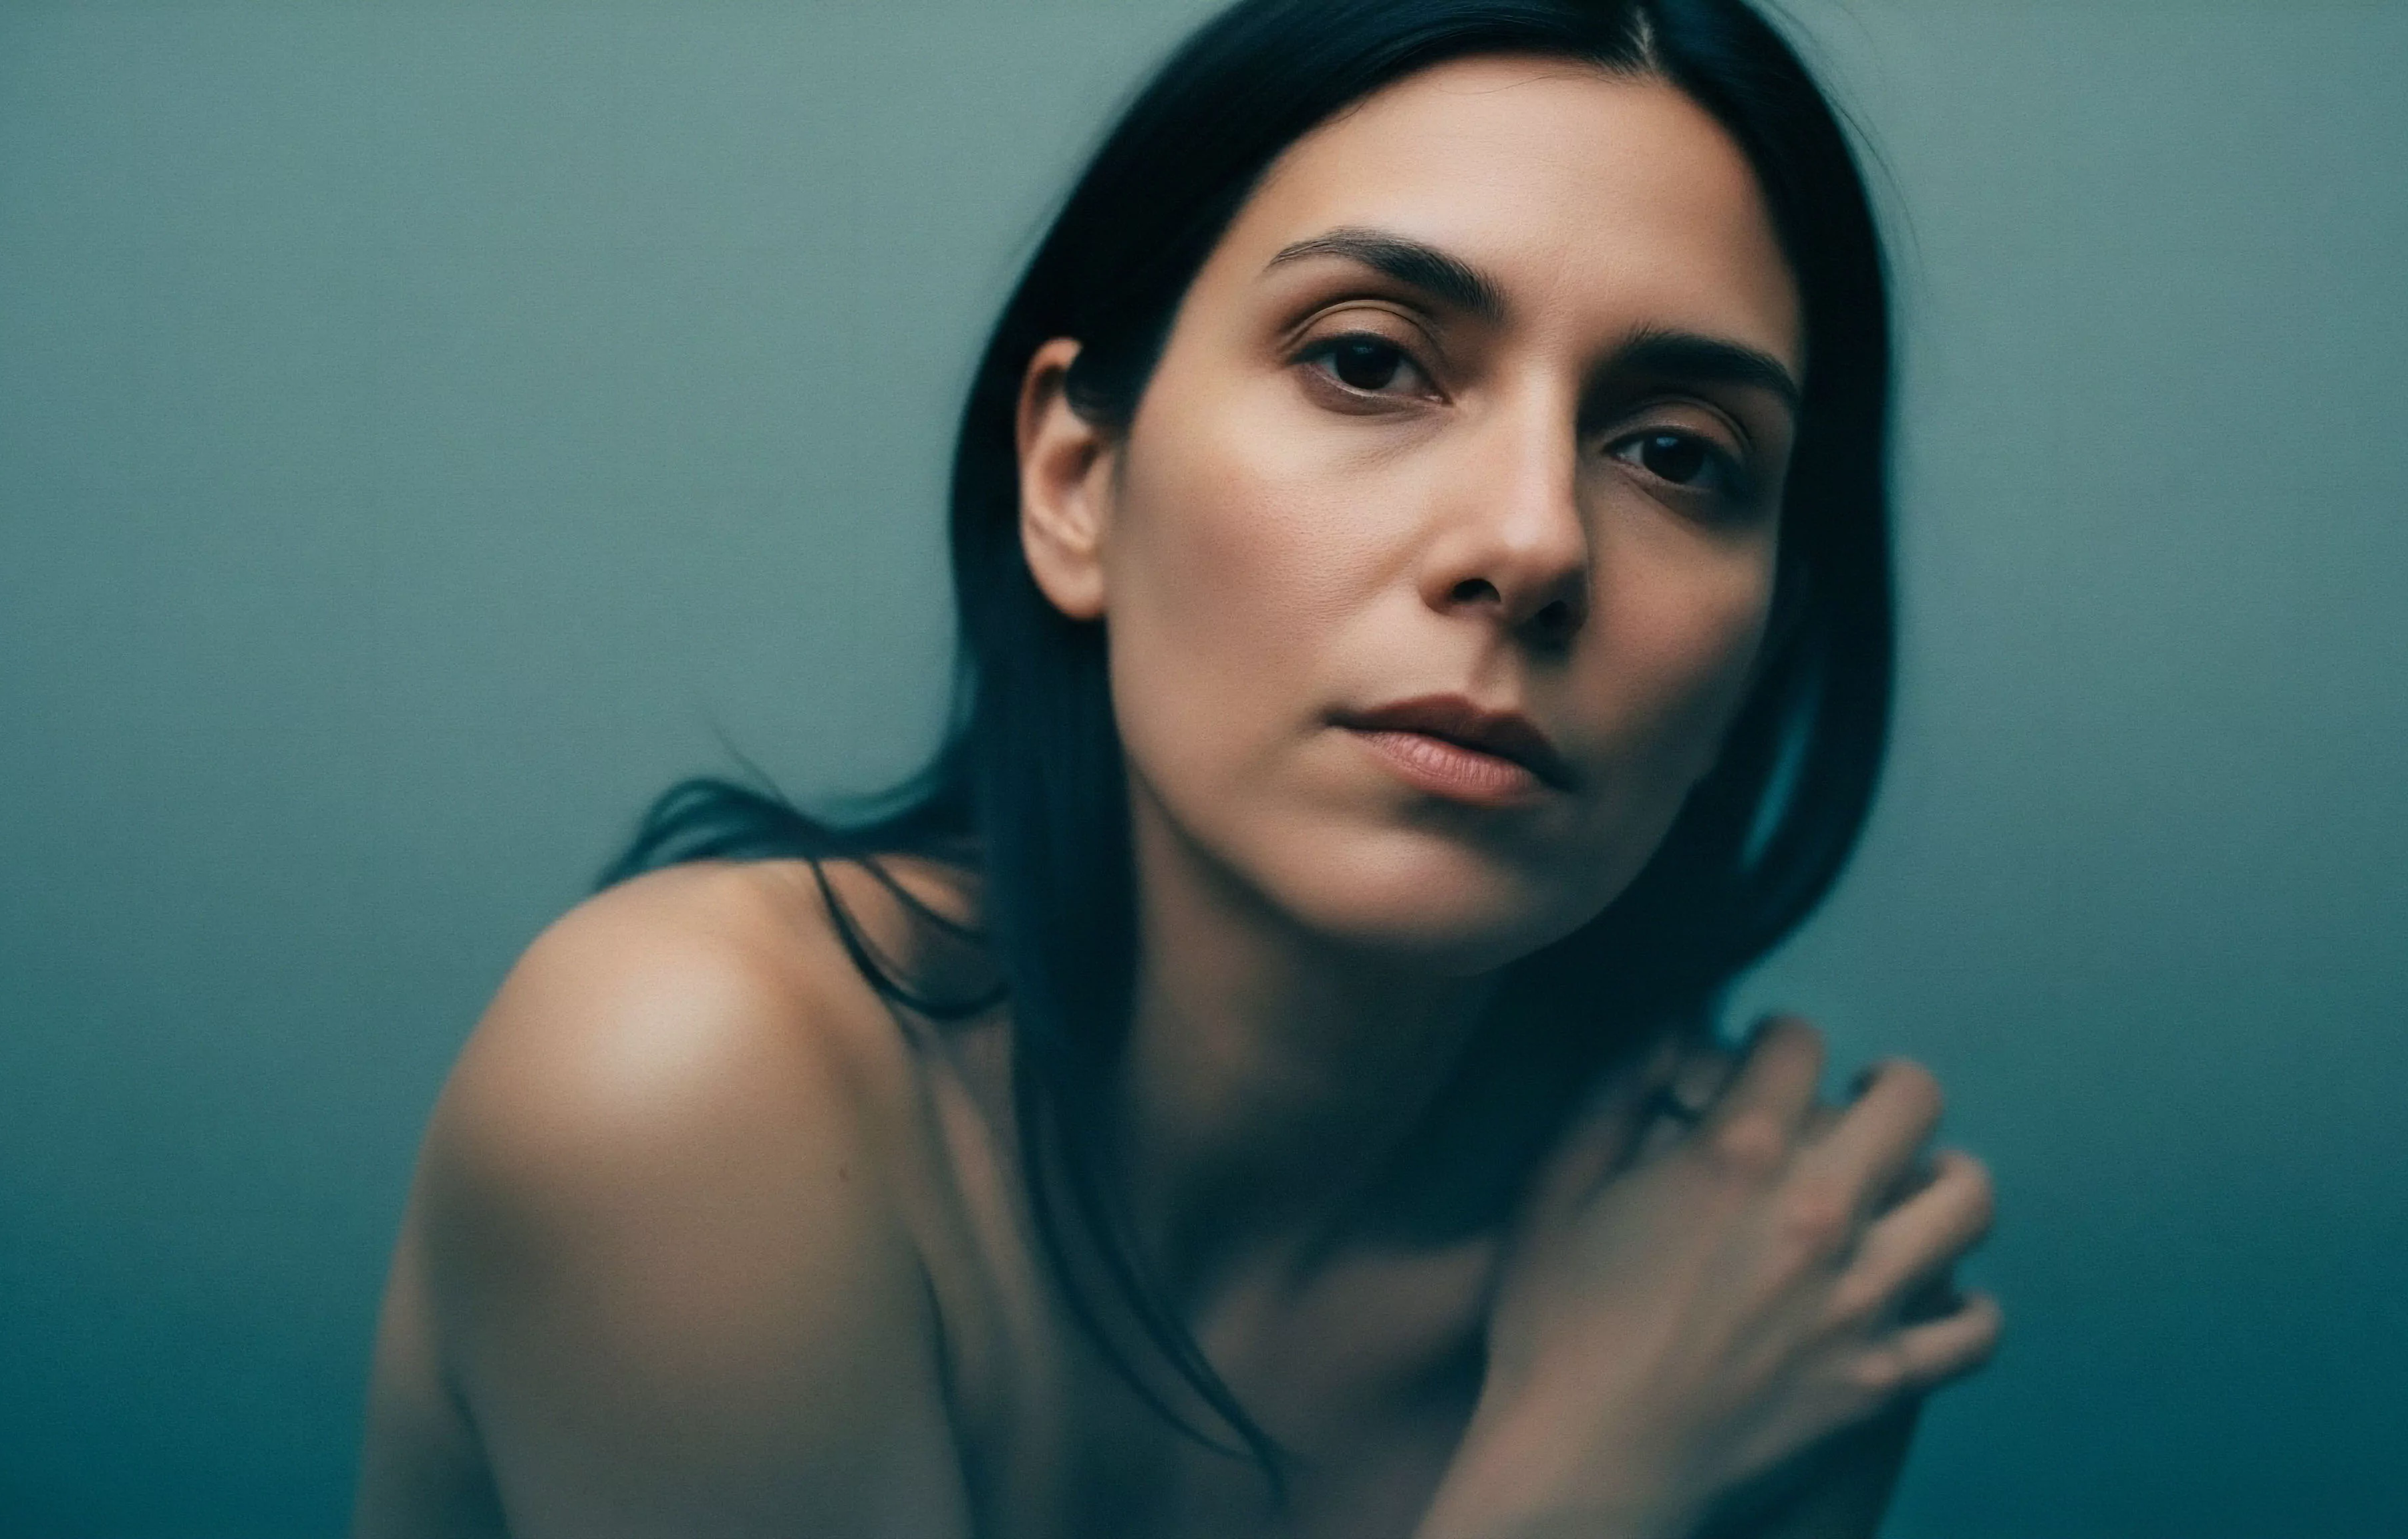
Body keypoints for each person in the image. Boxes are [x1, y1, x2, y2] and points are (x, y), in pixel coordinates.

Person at [353, 1, 2000, 1534]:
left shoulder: (1752, 1291)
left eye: (1677, 456)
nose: (1533, 541)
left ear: (1760, 656)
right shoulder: (686, 1084)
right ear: (1077, 480)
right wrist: (1583, 1491)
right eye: (1369, 360)